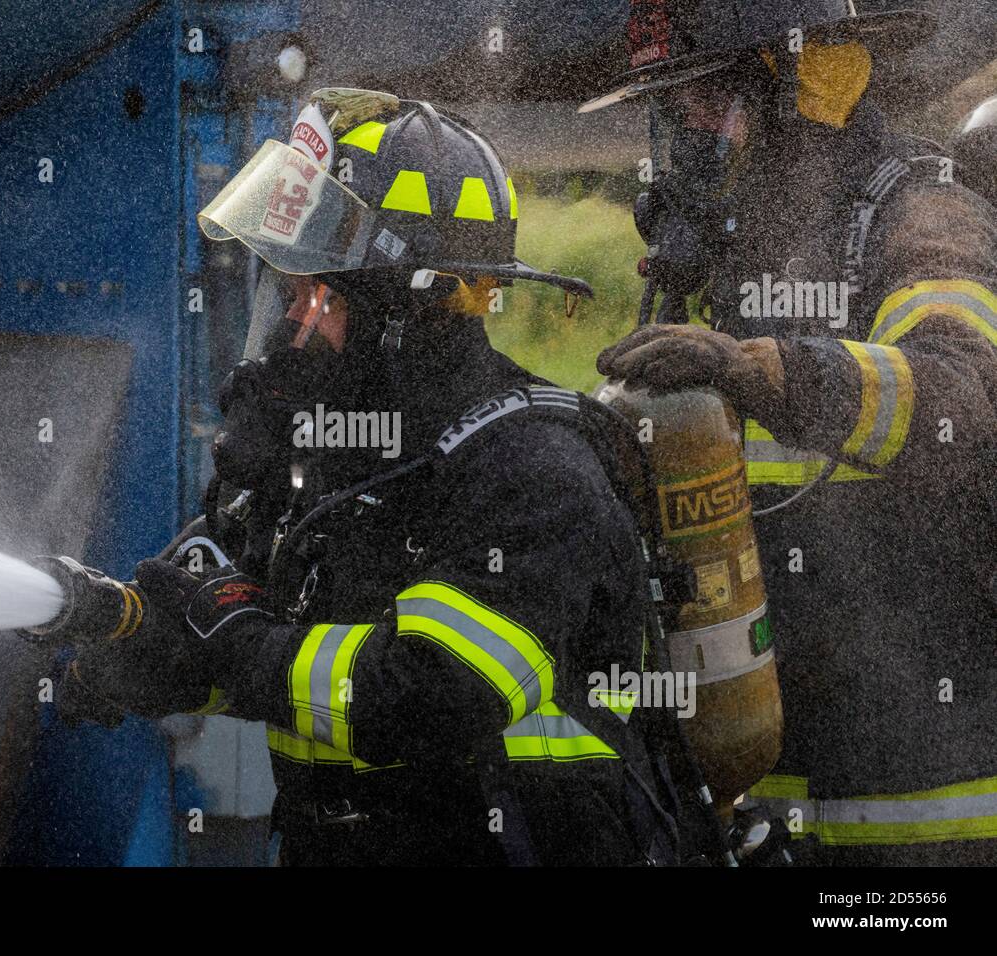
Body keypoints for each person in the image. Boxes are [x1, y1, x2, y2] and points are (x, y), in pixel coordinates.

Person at [56, 88, 682, 865]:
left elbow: (424, 695)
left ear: (404, 313)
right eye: (282, 296)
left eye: (314, 296)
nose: (291, 331)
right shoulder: (326, 466)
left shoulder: (532, 471)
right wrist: (138, 643)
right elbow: (247, 634)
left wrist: (233, 644)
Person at [585, 1, 997, 863]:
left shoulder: (918, 216)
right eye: (672, 109)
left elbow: (962, 401)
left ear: (801, 85)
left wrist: (766, 371)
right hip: (753, 802)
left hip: (922, 810)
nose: (687, 132)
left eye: (709, 98)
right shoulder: (715, 261)